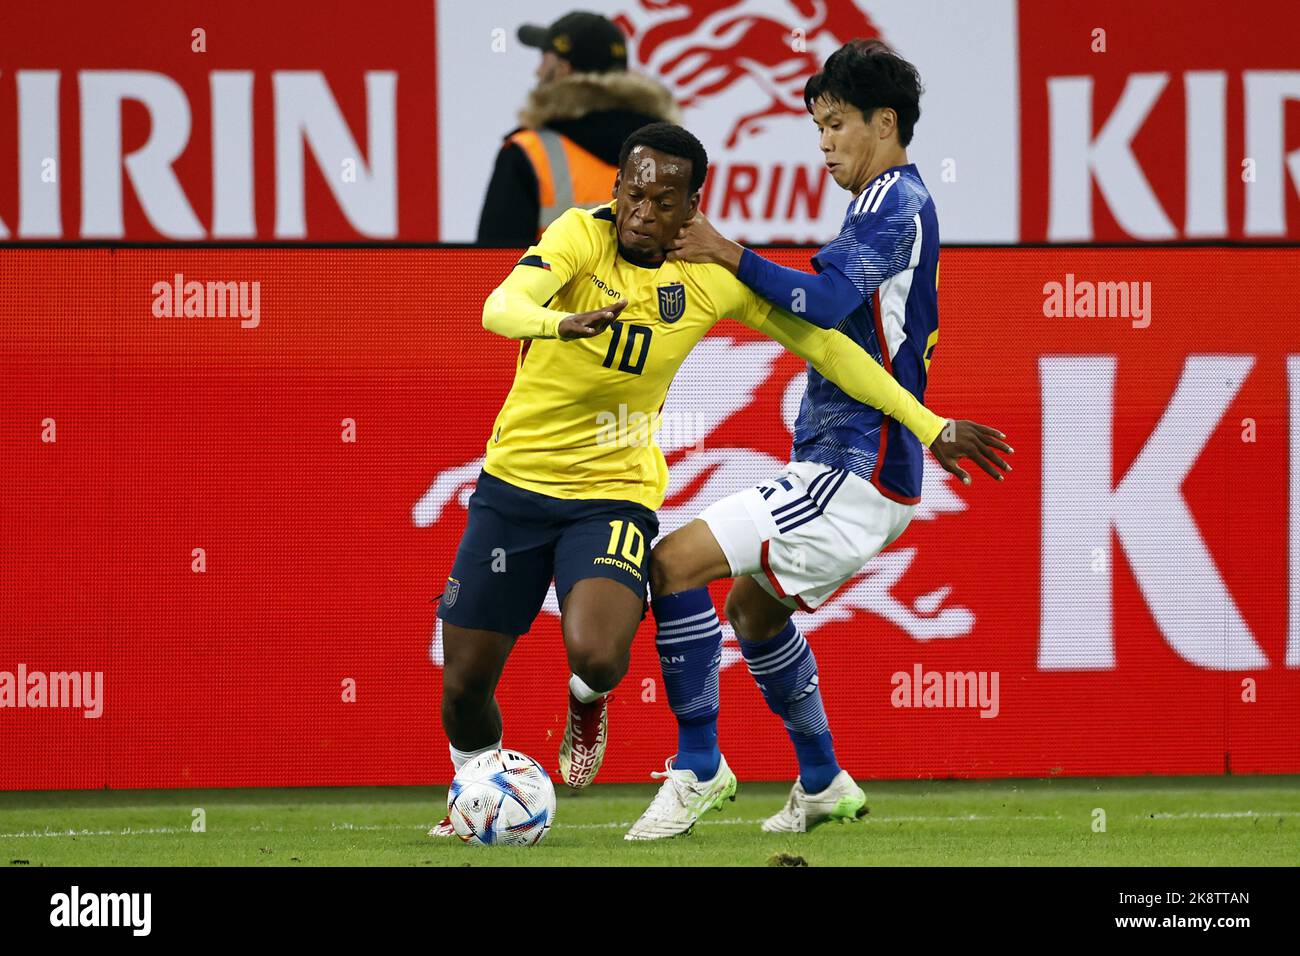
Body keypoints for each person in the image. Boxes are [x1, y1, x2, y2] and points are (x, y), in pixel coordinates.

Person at [430, 121, 1002, 837]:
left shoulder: (706, 275)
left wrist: (926, 424)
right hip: (514, 484)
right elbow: (499, 306)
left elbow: (829, 348)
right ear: (615, 190)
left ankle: (600, 706)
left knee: (602, 653)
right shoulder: (579, 235)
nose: (642, 210)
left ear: (691, 206)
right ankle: (473, 796)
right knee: (463, 688)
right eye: (633, 193)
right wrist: (556, 325)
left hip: (613, 492)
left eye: (663, 200)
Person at [624, 40, 1013, 841]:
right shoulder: (885, 203)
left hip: (856, 467)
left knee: (669, 563)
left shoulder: (890, 204)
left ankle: (698, 765)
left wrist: (727, 251)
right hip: (857, 464)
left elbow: (828, 301)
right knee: (755, 615)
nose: (826, 143)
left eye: (836, 125)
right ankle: (823, 778)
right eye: (818, 129)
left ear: (885, 122)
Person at [476, 11, 680, 245]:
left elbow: (493, 266)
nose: (538, 71)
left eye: (544, 58)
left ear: (562, 69)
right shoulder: (671, 153)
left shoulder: (529, 153)